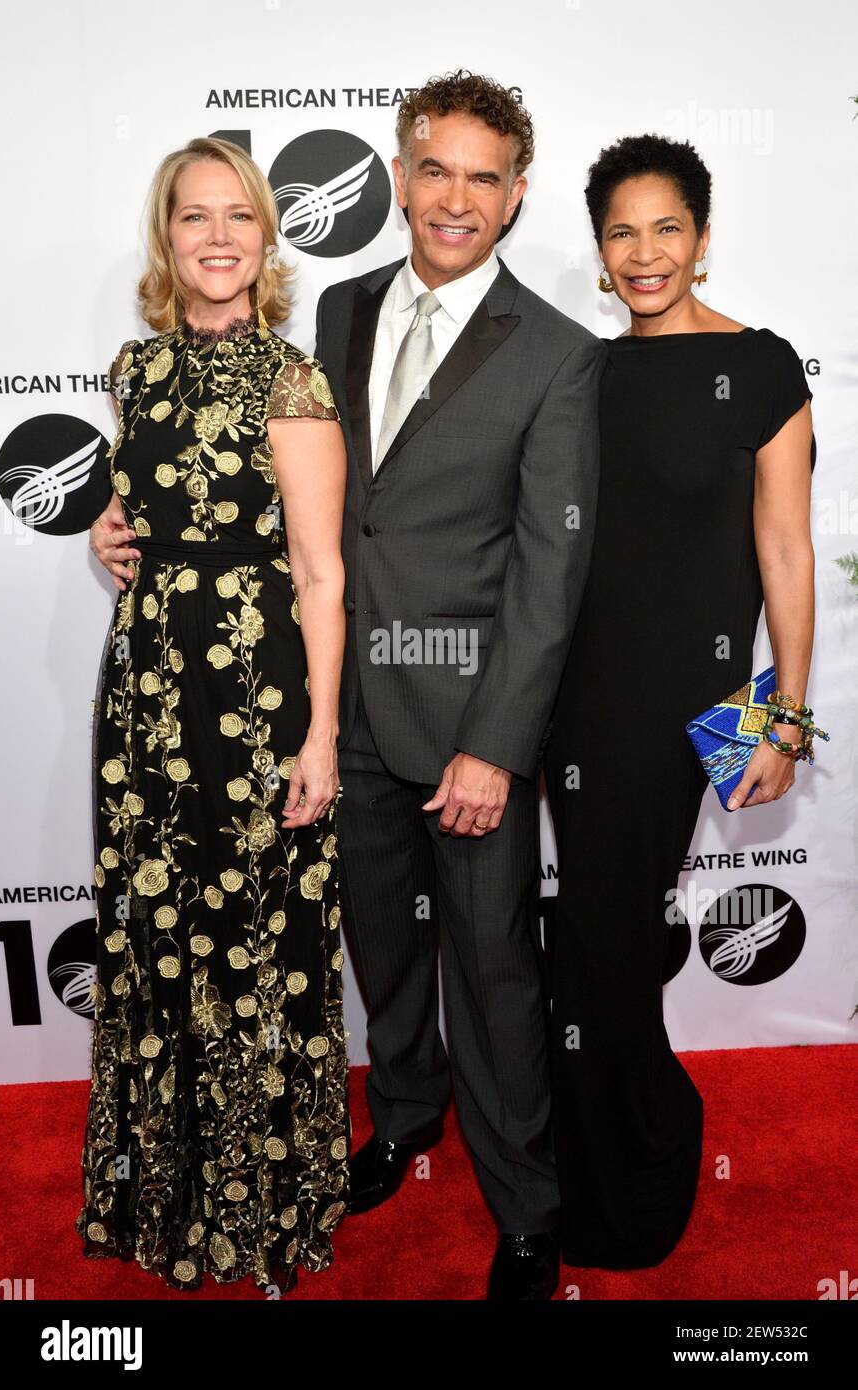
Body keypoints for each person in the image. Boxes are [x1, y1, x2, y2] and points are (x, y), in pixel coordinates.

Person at [314, 69, 605, 1300]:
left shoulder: (557, 354)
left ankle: (527, 1204)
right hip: (351, 710)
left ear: (517, 196)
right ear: (399, 173)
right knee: (383, 942)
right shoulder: (337, 307)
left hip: (469, 721)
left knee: (491, 972)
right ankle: (402, 1118)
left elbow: (552, 569)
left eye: (485, 178)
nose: (456, 198)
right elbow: (315, 501)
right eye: (436, 169)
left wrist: (496, 744)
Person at [77, 136, 349, 1295]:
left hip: (256, 698)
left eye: (239, 216)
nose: (219, 237)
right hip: (145, 692)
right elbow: (142, 513)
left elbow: (324, 573)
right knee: (154, 939)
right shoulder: (133, 369)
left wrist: (323, 735)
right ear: (167, 236)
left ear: (267, 236)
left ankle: (259, 1202)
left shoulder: (294, 379)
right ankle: (162, 1195)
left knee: (254, 943)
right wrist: (109, 529)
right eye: (196, 217)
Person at [543, 133, 818, 1269]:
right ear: (599, 251)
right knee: (597, 949)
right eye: (621, 231)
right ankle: (617, 1143)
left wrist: (784, 721)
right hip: (576, 703)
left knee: (607, 942)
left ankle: (641, 1155)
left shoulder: (761, 366)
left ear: (701, 240)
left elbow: (787, 557)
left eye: (667, 228)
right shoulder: (582, 372)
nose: (644, 252)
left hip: (697, 703)